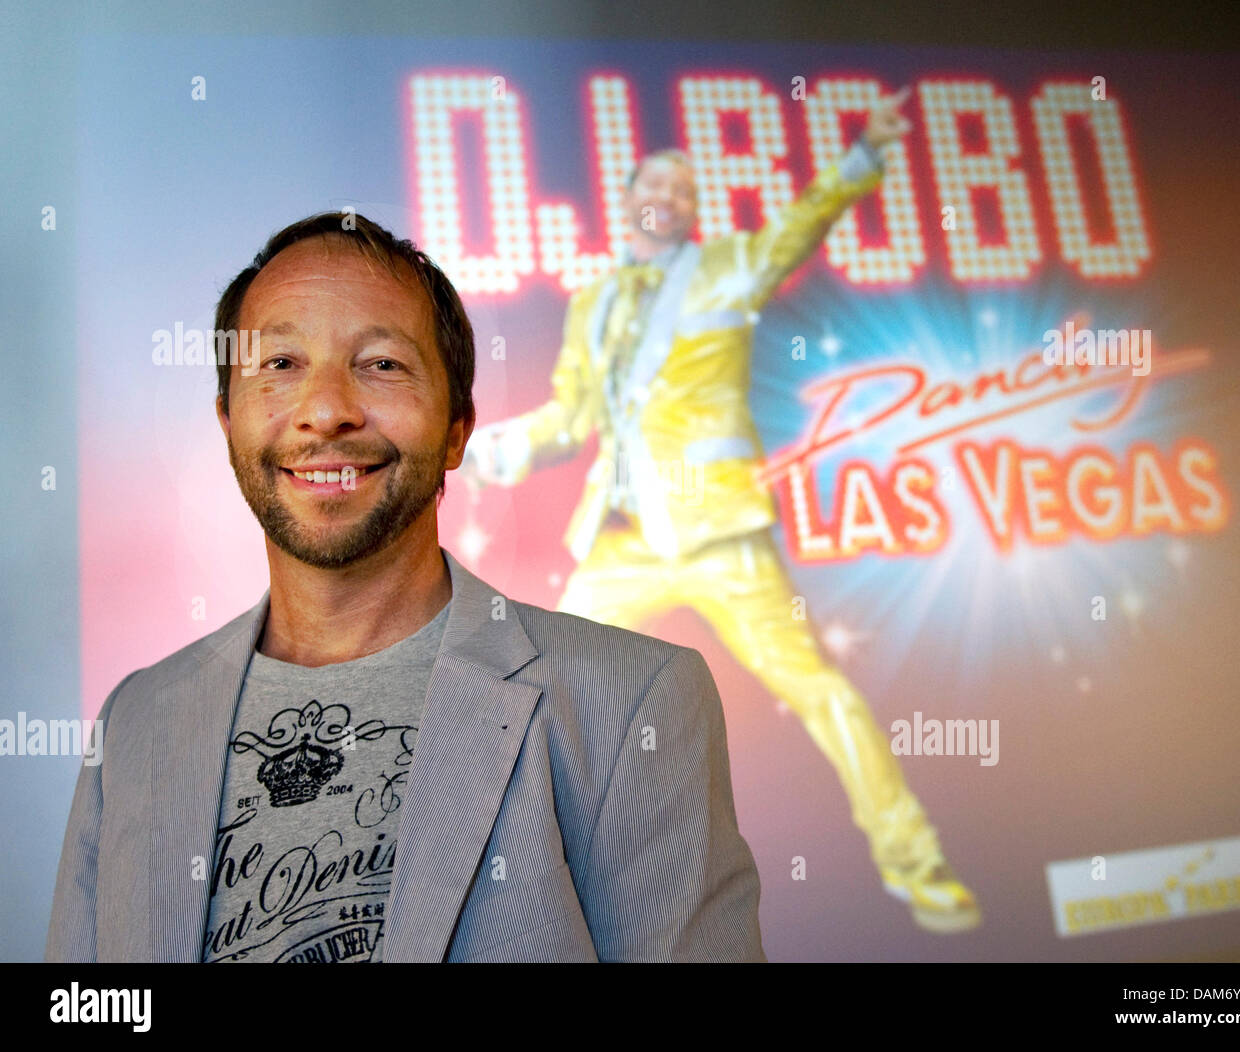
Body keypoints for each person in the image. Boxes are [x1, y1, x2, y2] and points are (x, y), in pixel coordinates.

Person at [45, 213, 764, 963]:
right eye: (281, 363)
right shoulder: (138, 721)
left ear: (458, 428)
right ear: (228, 420)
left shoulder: (633, 699)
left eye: (382, 364)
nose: (326, 412)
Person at [463, 88, 980, 932]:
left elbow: (799, 228)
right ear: (628, 198)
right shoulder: (593, 302)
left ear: (695, 211)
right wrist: (478, 451)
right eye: (654, 183)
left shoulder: (731, 264)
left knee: (818, 690)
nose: (668, 196)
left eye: (685, 188)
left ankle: (915, 862)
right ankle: (515, 892)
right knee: (537, 695)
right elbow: (570, 419)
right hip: (623, 542)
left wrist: (860, 159)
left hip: (718, 537)